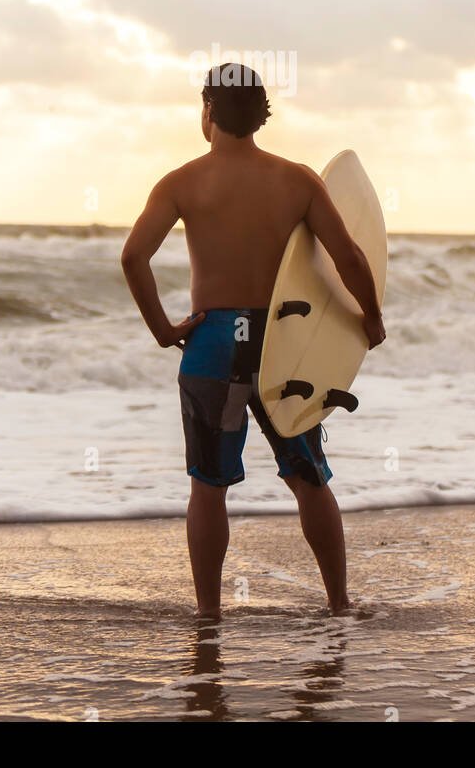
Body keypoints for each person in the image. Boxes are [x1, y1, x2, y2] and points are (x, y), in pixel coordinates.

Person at [121, 63, 386, 618]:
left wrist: (164, 330)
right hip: (284, 345)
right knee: (308, 477)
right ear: (261, 113)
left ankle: (210, 614)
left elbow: (133, 256)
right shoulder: (297, 180)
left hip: (214, 341)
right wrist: (371, 318)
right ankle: (338, 602)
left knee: (209, 487)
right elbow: (351, 258)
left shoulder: (181, 182)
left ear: (209, 111)